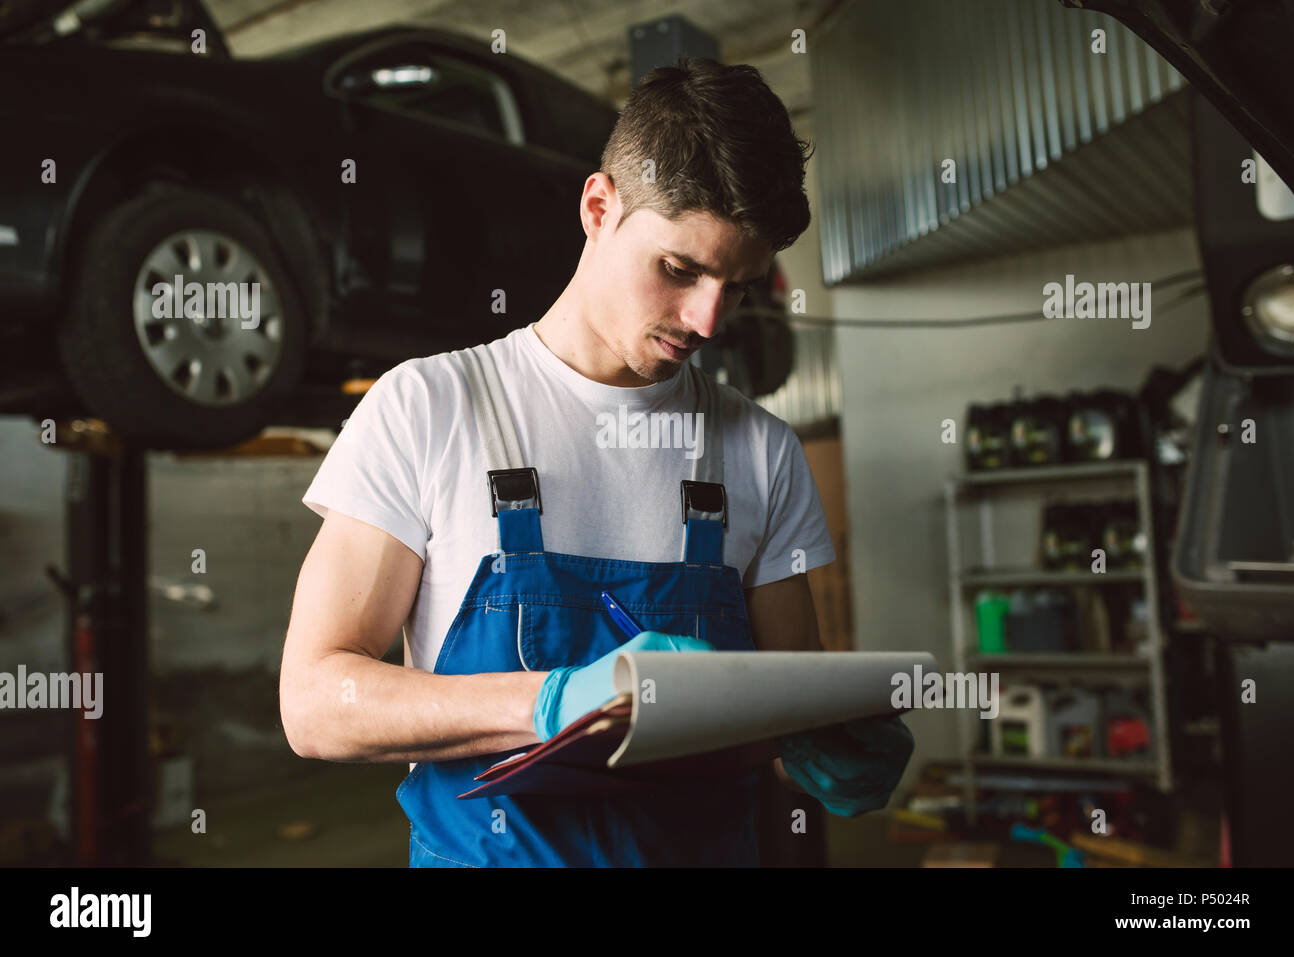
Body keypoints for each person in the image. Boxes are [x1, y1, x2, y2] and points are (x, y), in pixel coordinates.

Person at [279, 56, 914, 867]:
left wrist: (827, 741)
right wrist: (552, 702)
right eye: (679, 269)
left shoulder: (760, 452)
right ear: (599, 207)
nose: (708, 321)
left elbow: (783, 712)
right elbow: (314, 704)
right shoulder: (429, 408)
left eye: (739, 285)